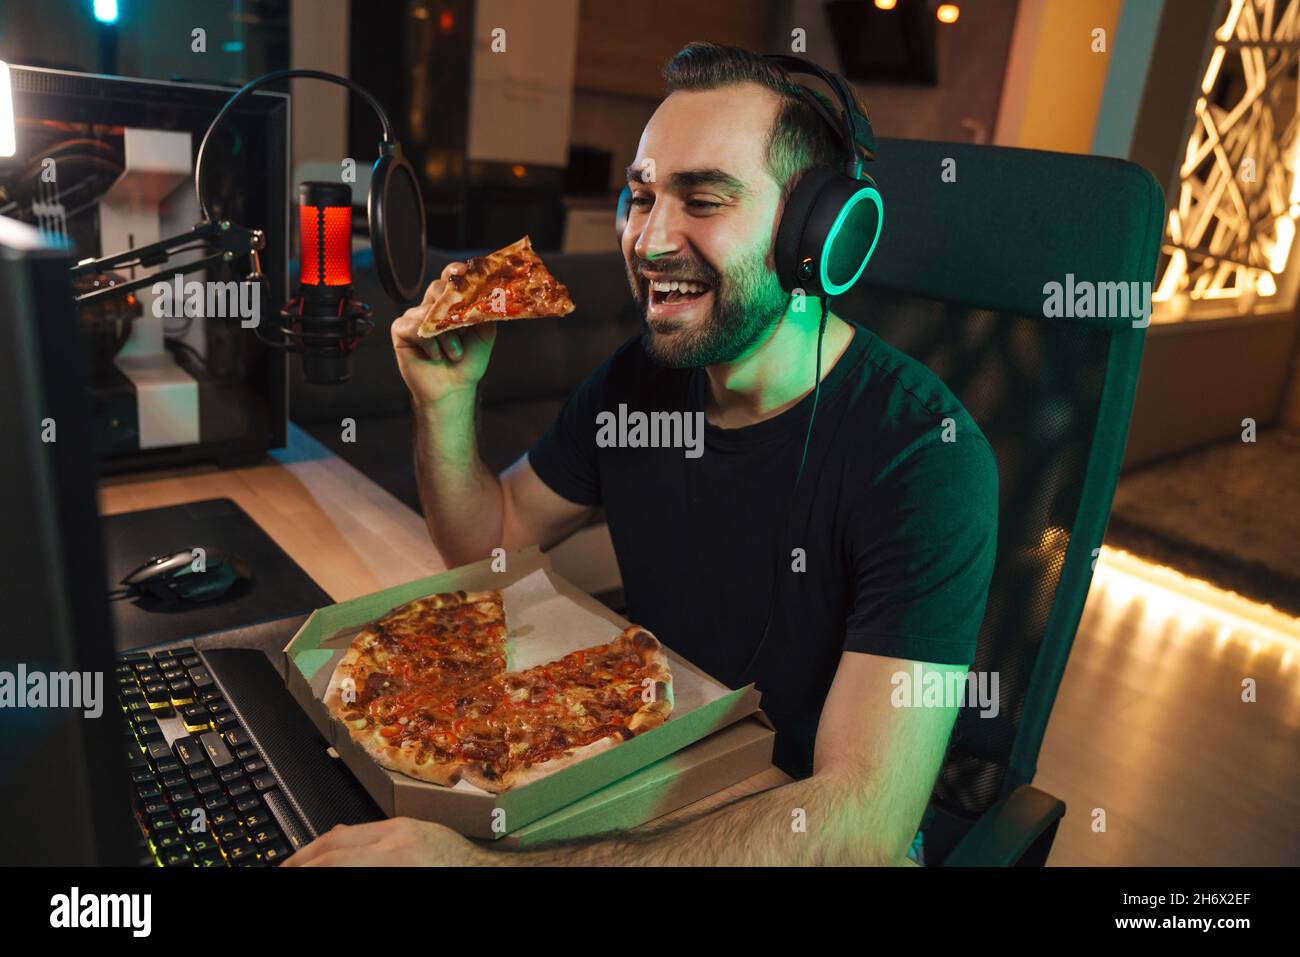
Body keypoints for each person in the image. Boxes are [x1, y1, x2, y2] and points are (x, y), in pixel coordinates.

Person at [286, 42, 997, 867]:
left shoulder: (924, 459)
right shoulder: (641, 380)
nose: (650, 239)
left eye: (703, 199)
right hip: (636, 776)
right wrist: (446, 406)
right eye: (640, 195)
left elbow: (860, 824)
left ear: (817, 234)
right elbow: (491, 541)